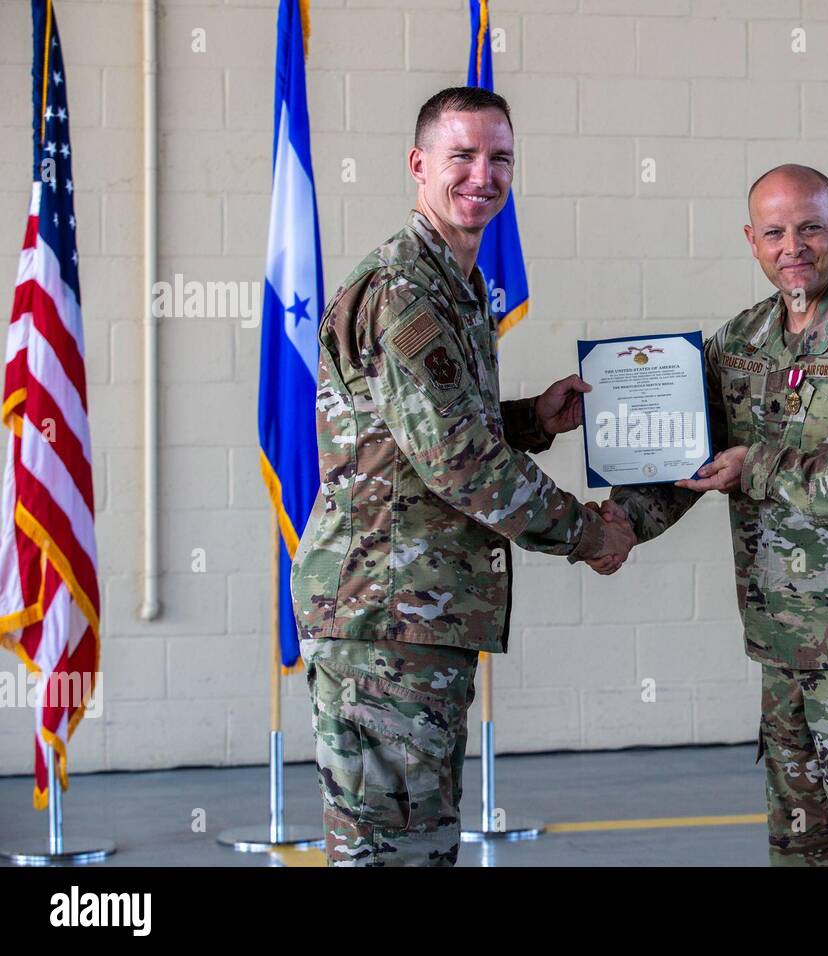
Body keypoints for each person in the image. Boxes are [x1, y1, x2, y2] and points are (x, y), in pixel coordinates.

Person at [290, 86, 634, 866]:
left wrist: (532, 420)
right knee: (395, 854)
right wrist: (589, 532)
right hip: (385, 620)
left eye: (500, 157)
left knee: (417, 846)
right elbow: (458, 463)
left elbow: (420, 436)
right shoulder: (405, 293)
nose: (483, 175)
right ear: (419, 165)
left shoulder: (454, 284)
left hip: (412, 616)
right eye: (463, 156)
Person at [600, 164, 828, 866]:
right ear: (751, 241)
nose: (793, 246)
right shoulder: (741, 343)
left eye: (810, 228)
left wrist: (756, 465)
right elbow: (687, 455)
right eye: (774, 232)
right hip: (787, 650)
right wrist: (616, 526)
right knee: (799, 851)